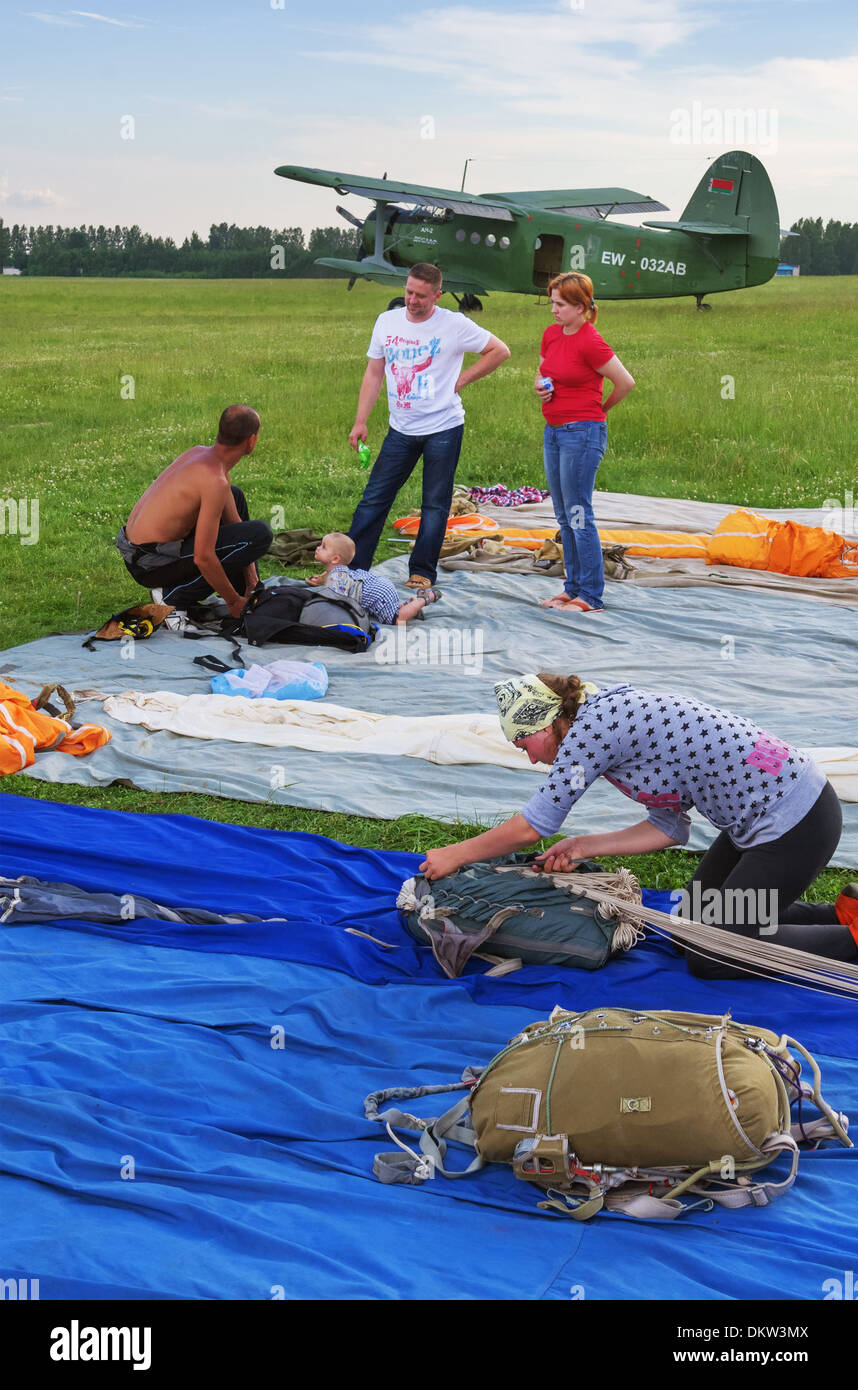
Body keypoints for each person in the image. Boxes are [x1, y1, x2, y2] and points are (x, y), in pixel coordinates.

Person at [419, 672, 858, 979]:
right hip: (760, 821)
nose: (530, 757)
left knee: (714, 953)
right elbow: (670, 829)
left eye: (524, 742)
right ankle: (839, 916)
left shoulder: (591, 731)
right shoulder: (603, 722)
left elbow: (533, 825)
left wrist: (455, 853)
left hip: (796, 821)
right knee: (690, 927)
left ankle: (853, 941)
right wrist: (582, 846)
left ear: (551, 722)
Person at [348, 262, 510, 592]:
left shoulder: (454, 324)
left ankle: (422, 571)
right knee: (374, 499)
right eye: (409, 292)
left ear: (437, 295)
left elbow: (499, 350)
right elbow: (374, 372)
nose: (412, 300)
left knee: (434, 504)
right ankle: (353, 567)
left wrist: (463, 379)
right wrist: (360, 420)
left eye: (421, 296)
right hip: (401, 428)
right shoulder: (386, 322)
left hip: (444, 427)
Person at [117, 405, 272, 625]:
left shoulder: (202, 454)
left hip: (143, 550)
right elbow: (203, 557)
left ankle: (248, 593)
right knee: (261, 534)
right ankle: (172, 598)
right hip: (150, 564)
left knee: (235, 497)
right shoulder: (214, 480)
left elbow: (235, 521)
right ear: (251, 441)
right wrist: (232, 602)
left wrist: (252, 584)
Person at [535, 273, 635, 613]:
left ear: (580, 307)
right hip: (554, 432)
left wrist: (601, 409)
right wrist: (541, 386)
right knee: (564, 516)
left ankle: (590, 595)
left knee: (579, 514)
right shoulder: (551, 335)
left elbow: (625, 382)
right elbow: (542, 371)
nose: (553, 310)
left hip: (583, 432)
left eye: (560, 304)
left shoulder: (591, 342)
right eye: (552, 302)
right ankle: (572, 587)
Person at [310, 532, 441, 623]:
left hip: (379, 593)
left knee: (397, 619)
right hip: (379, 588)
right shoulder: (340, 573)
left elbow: (339, 604)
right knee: (391, 610)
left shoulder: (336, 579)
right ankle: (411, 606)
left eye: (323, 547)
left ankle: (423, 599)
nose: (317, 548)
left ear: (335, 559)